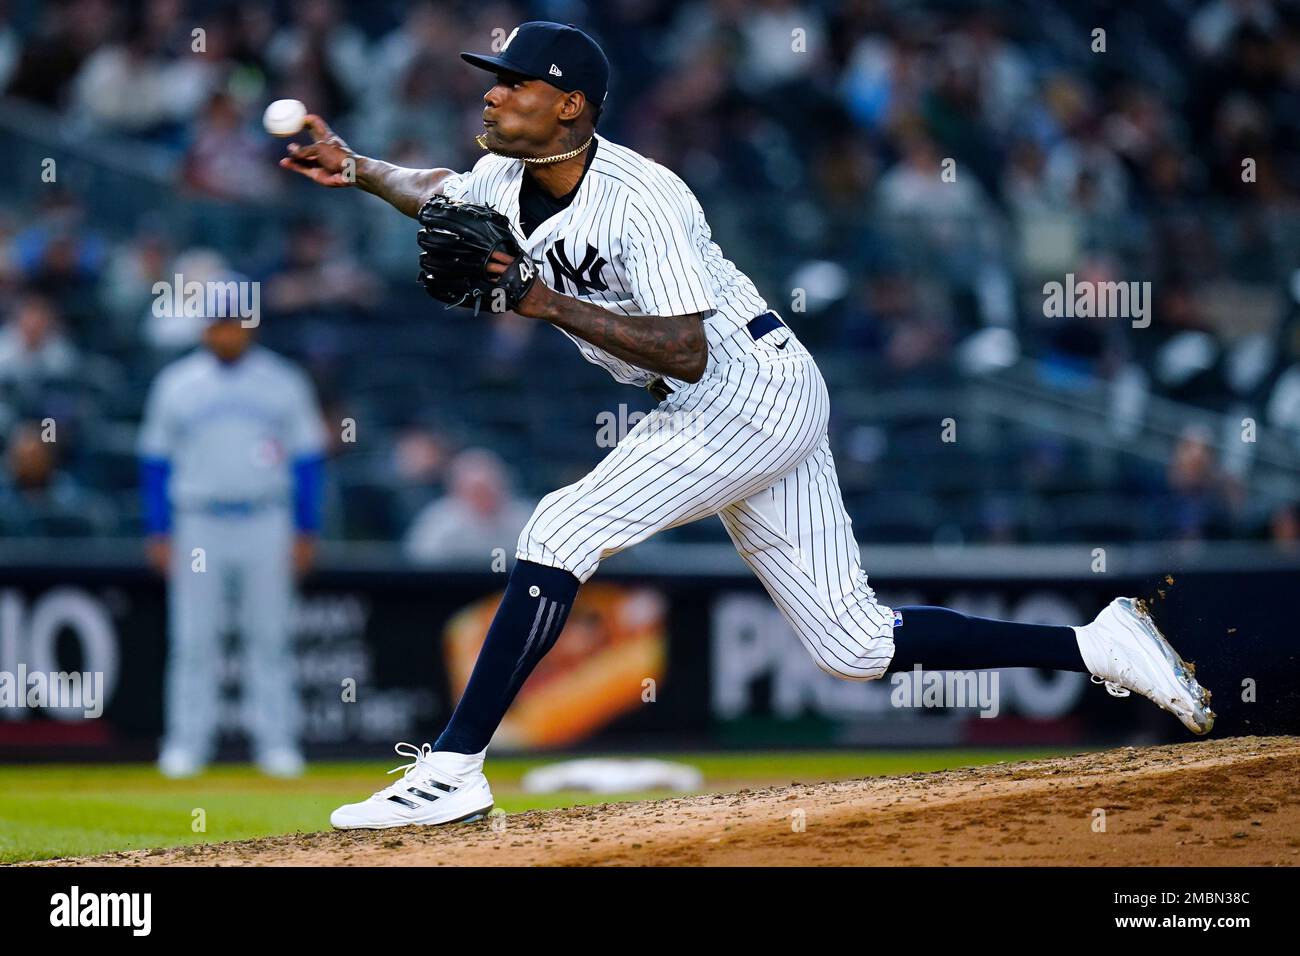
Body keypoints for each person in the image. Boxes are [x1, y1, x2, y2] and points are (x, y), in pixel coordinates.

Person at [278, 21, 1214, 830]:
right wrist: (356, 167)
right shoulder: (500, 176)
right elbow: (437, 189)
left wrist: (539, 302)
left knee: (559, 527)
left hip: (742, 389)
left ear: (572, 107)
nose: (494, 94)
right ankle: (1097, 645)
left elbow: (685, 349)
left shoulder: (644, 198)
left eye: (515, 83)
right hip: (726, 401)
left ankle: (451, 771)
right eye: (495, 81)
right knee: (854, 646)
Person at [137, 301, 326, 778]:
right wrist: (158, 529)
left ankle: (277, 744)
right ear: (205, 328)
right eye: (218, 323)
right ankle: (186, 744)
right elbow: (155, 463)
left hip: (267, 516)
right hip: (198, 519)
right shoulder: (177, 383)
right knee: (194, 638)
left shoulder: (283, 381)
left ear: (249, 326)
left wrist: (306, 527)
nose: (226, 332)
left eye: (234, 323)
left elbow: (307, 460)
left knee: (270, 636)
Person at [403, 448, 533, 565]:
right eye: (475, 491)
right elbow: (419, 564)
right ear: (457, 491)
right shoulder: (437, 523)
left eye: (489, 490)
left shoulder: (526, 520)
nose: (483, 497)